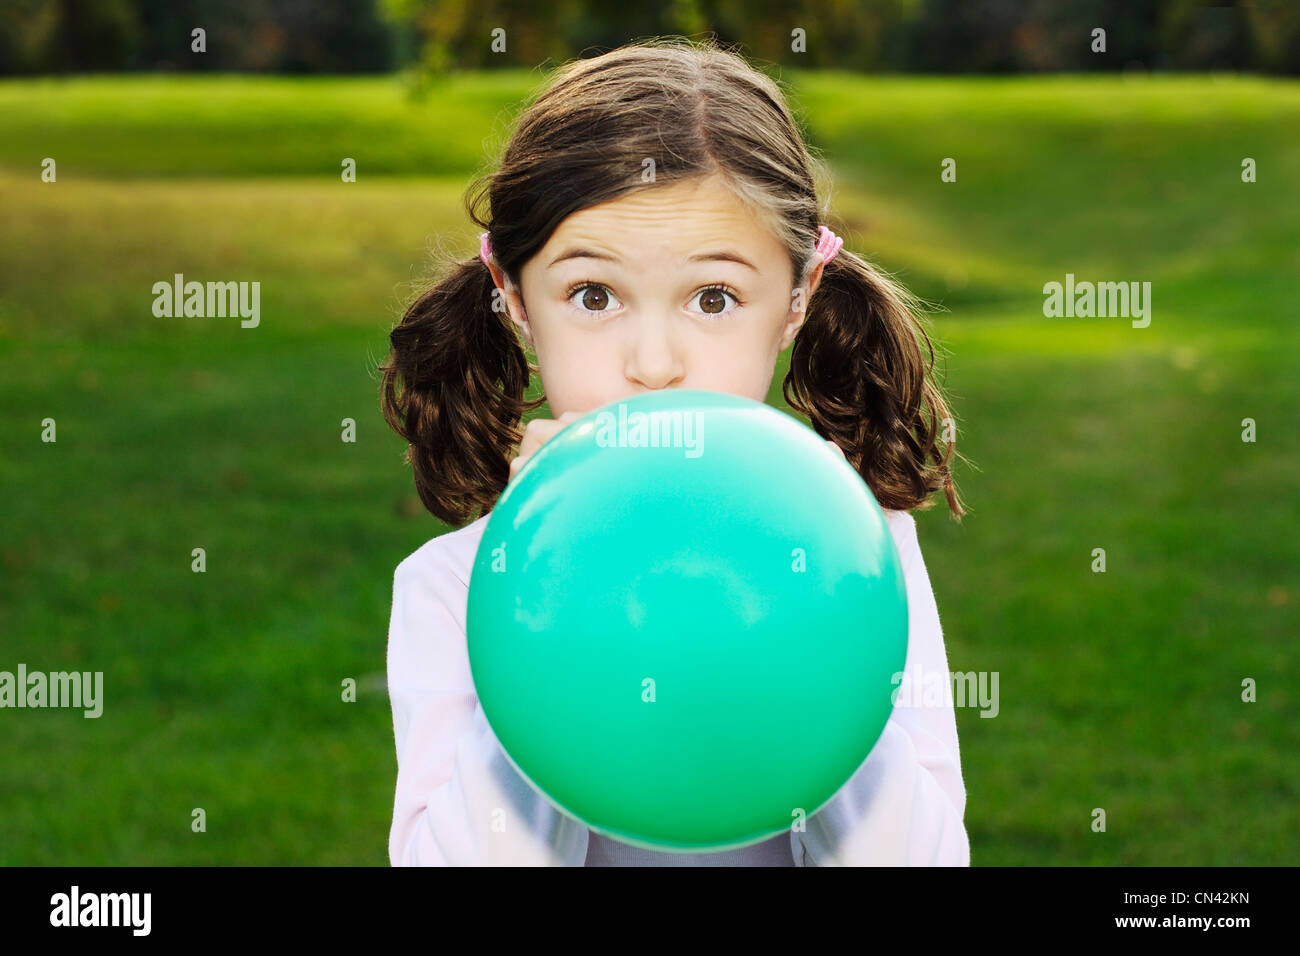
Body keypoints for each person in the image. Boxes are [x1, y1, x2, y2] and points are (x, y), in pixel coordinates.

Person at [379, 36, 970, 866]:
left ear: (796, 302)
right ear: (514, 300)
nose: (654, 363)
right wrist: (541, 597)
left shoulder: (865, 562)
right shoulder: (455, 587)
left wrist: (828, 633)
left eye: (714, 297)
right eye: (594, 295)